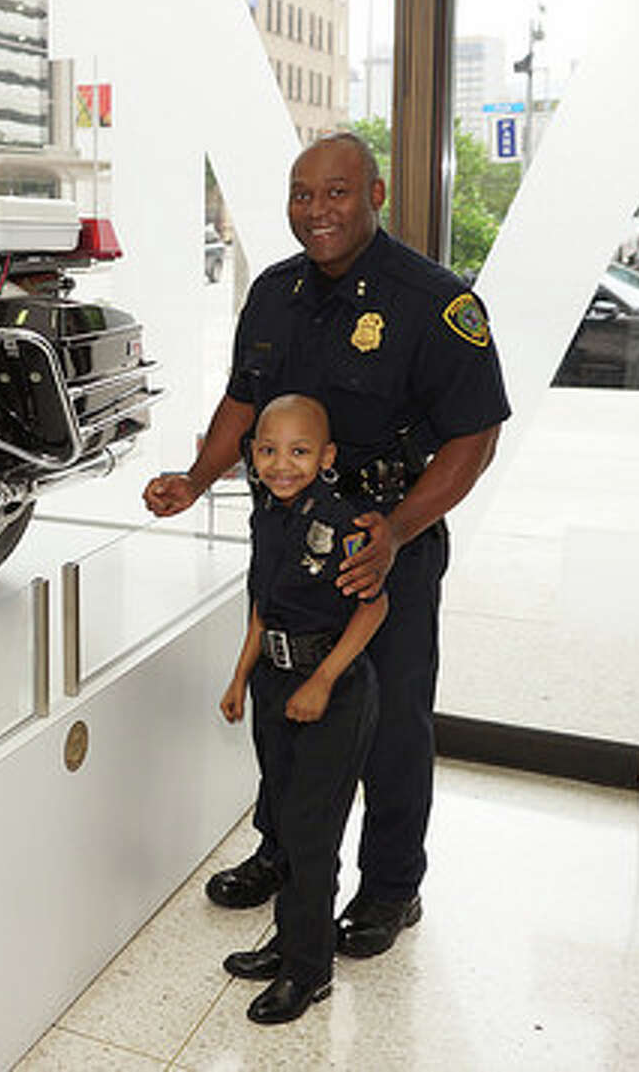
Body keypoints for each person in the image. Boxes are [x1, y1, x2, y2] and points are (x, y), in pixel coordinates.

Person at [146, 131, 508, 959]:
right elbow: (244, 405)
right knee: (283, 708)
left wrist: (398, 529)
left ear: (376, 194)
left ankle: (389, 889)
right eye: (302, 195)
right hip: (284, 538)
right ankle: (285, 852)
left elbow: (474, 437)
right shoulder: (274, 293)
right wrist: (196, 479)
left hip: (386, 542)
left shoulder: (434, 302)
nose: (317, 210)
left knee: (390, 725)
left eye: (337, 192)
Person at [218, 393, 383, 1025]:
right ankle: (290, 941)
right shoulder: (267, 517)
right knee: (285, 823)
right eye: (267, 449)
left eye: (299, 451)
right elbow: (263, 604)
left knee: (313, 835)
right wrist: (240, 677)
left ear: (327, 456)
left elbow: (374, 608)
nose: (281, 463)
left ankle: (310, 972)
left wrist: (323, 682)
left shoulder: (345, 523)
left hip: (332, 690)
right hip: (274, 680)